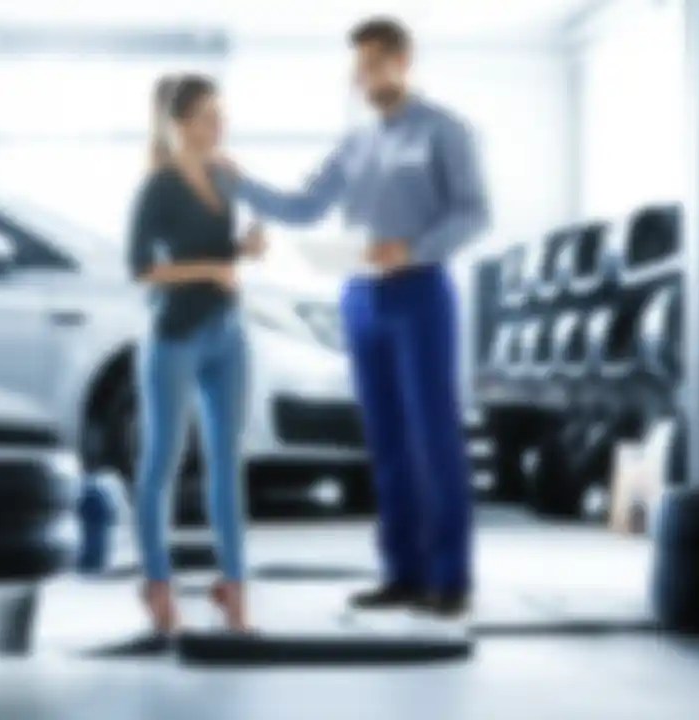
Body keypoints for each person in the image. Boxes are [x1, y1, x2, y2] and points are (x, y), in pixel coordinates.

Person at [225, 17, 490, 617]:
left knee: (434, 438)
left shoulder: (444, 132)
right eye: (358, 68)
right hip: (362, 298)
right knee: (388, 441)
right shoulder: (356, 142)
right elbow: (304, 205)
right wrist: (242, 185)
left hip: (420, 292)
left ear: (402, 60)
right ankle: (402, 573)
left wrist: (414, 248)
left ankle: (449, 579)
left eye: (373, 64)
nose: (363, 78)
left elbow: (473, 213)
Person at [129, 74, 266, 634]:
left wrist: (244, 248)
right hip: (175, 336)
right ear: (182, 124)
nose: (220, 127)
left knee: (226, 465)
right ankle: (158, 586)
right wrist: (212, 268)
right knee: (161, 461)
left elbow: (221, 251)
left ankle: (233, 591)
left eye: (222, 117)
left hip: (227, 334)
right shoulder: (159, 186)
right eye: (210, 117)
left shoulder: (224, 176)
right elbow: (144, 267)